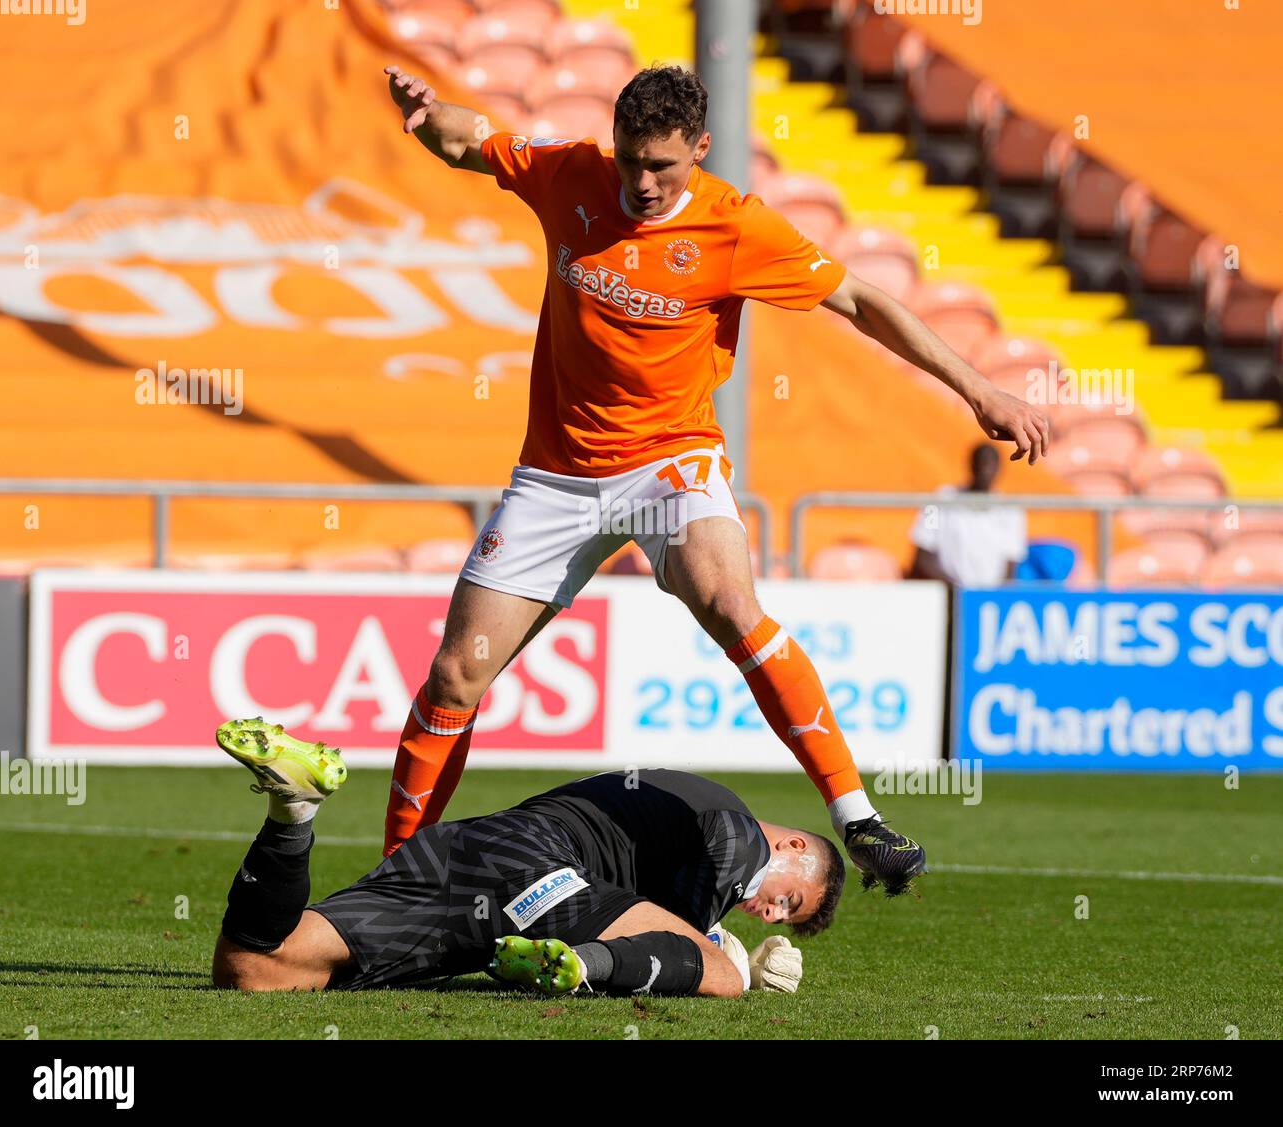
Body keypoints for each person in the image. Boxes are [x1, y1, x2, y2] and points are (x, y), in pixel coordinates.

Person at [375, 63, 1050, 893]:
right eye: (630, 160)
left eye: (662, 165)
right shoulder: (570, 173)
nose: (642, 183)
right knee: (455, 673)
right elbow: (471, 141)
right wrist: (430, 113)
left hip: (671, 461)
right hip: (555, 474)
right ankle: (397, 878)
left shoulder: (739, 228)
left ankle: (857, 815)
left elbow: (866, 302)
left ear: (700, 147)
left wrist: (979, 388)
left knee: (731, 603)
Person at [210, 719, 837, 997]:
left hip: (459, 851)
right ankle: (581, 964)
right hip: (535, 870)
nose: (771, 911)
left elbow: (659, 903)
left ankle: (292, 815)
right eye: (789, 899)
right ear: (793, 846)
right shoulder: (737, 830)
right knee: (719, 977)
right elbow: (724, 860)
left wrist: (712, 933)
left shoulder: (681, 818)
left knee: (261, 969)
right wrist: (726, 955)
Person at [908, 443, 1029, 587]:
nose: (985, 471)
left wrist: (989, 597)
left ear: (999, 469)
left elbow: (1011, 566)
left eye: (990, 465)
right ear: (971, 465)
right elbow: (922, 556)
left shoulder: (1011, 512)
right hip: (948, 597)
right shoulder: (937, 501)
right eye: (982, 463)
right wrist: (956, 590)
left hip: (986, 602)